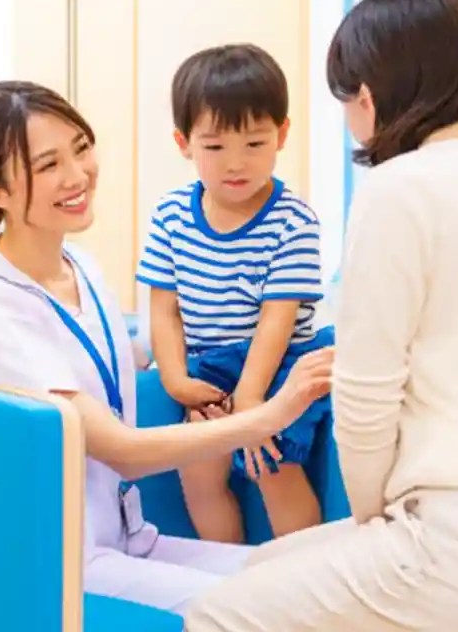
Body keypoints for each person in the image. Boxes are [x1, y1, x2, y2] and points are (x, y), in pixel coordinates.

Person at [185, 0, 458, 629]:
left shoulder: (397, 189)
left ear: (367, 97)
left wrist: (373, 521)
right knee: (259, 568)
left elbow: (365, 398)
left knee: (216, 613)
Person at [0, 80, 333, 613]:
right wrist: (271, 413)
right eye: (48, 165)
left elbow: (110, 358)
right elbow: (123, 453)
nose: (78, 175)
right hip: (63, 561)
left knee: (315, 577)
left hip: (130, 538)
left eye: (81, 149)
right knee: (278, 607)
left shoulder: (81, 268)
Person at [136, 44, 332, 543]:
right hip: (209, 366)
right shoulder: (171, 215)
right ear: (184, 143)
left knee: (272, 460)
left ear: (282, 135)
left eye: (255, 143)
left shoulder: (294, 221)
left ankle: (301, 572)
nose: (236, 163)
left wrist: (251, 401)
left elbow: (277, 320)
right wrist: (177, 378)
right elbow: (164, 310)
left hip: (279, 363)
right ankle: (227, 571)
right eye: (215, 147)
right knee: (198, 468)